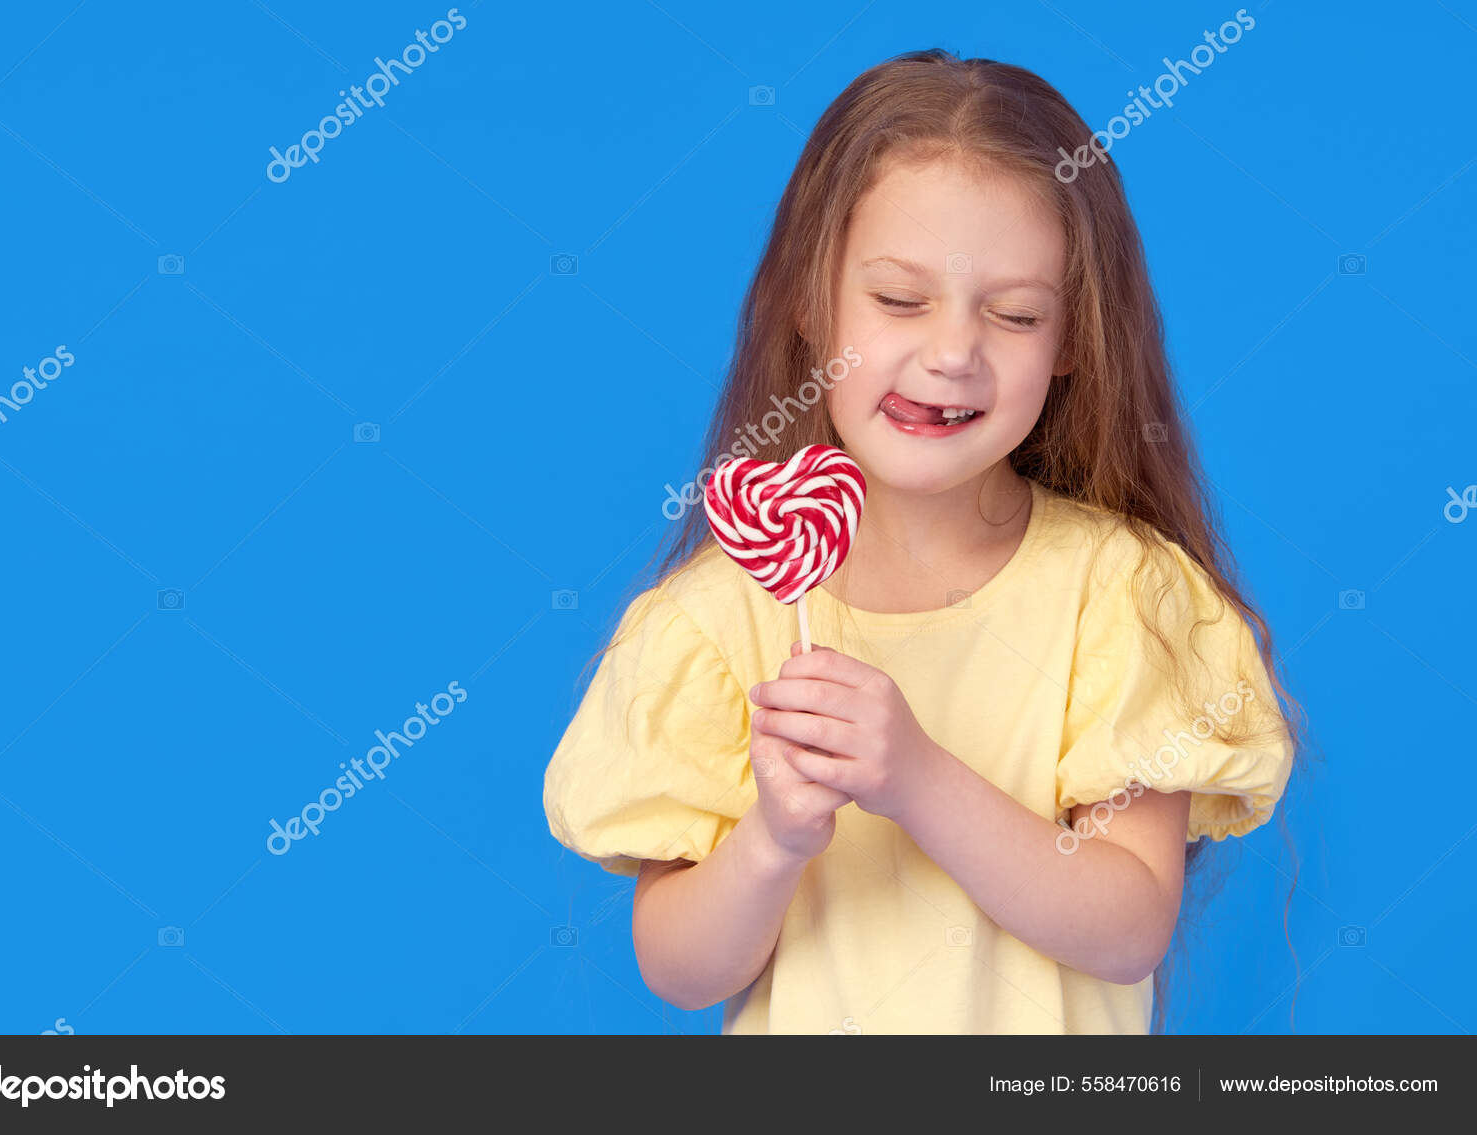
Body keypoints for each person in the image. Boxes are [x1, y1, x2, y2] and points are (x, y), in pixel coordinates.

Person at [542, 48, 1304, 1034]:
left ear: (1074, 336)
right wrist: (772, 838)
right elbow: (680, 970)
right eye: (899, 300)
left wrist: (917, 777)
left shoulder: (1120, 595)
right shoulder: (713, 622)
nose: (951, 353)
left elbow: (1126, 928)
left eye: (1016, 313)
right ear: (813, 304)